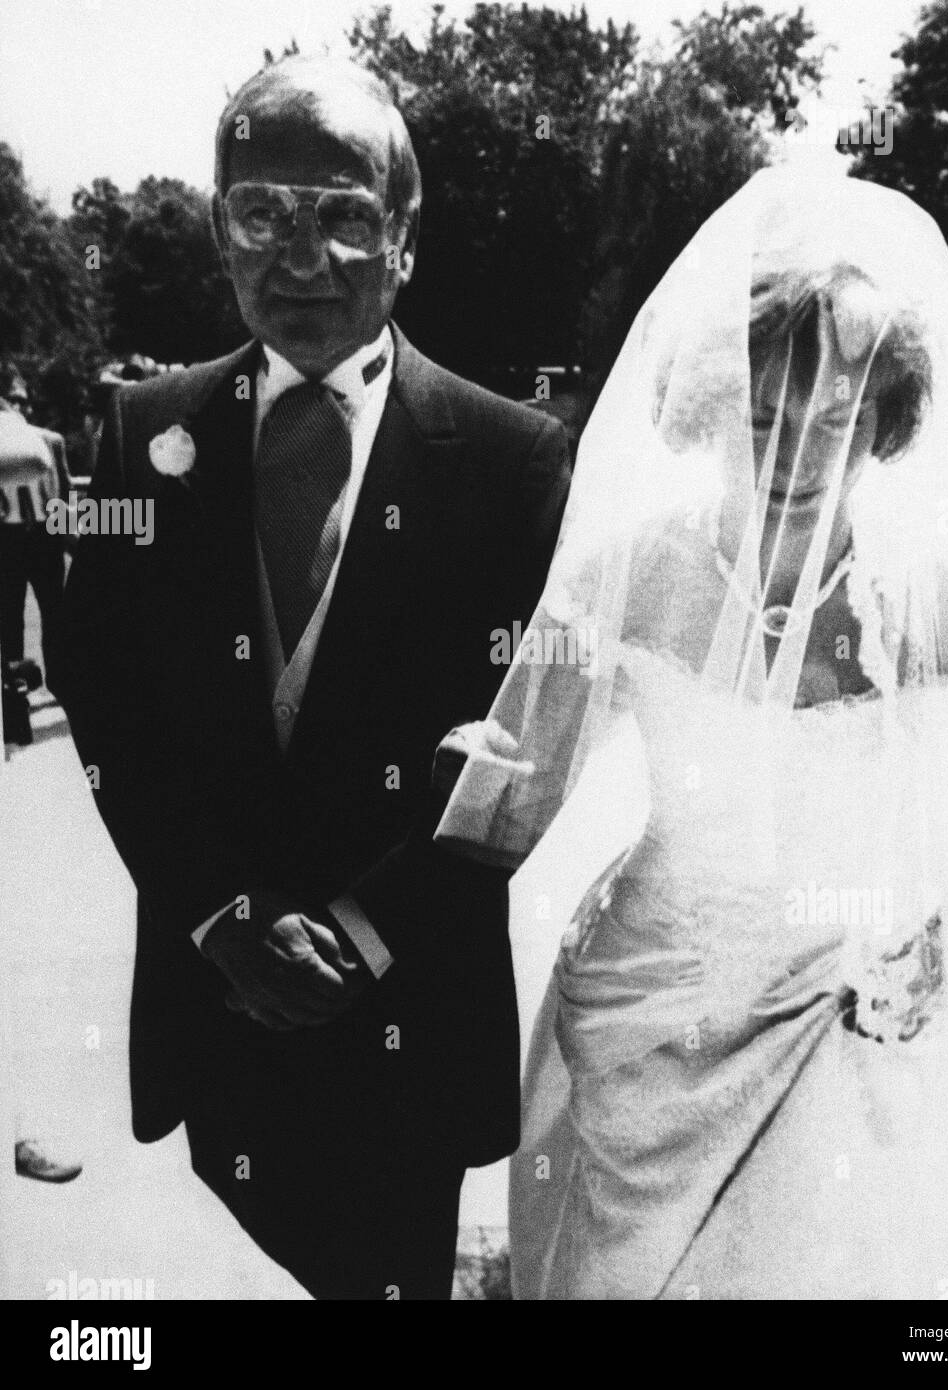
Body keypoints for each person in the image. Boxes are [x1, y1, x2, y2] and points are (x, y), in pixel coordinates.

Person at [436, 165, 948, 1298]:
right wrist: (445, 768)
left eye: (835, 422)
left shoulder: (940, 598)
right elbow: (508, 795)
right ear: (704, 409)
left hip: (837, 1017)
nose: (797, 460)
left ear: (883, 426)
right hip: (645, 1023)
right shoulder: (629, 578)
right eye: (760, 418)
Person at [58, 55, 570, 1299]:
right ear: (217, 226)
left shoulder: (513, 462)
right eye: (261, 213)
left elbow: (534, 747)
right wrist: (223, 916)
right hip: (211, 1006)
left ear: (402, 236)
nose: (300, 255)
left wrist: (355, 935)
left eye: (342, 215)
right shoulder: (138, 438)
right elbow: (101, 695)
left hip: (403, 1012)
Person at [0, 366, 69, 701]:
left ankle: (59, 682)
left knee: (55, 614)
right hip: (8, 538)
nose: (21, 408)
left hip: (44, 535)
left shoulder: (50, 441)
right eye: (13, 400)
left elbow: (65, 493)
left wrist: (67, 538)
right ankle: (17, 688)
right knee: (10, 617)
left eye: (24, 401)